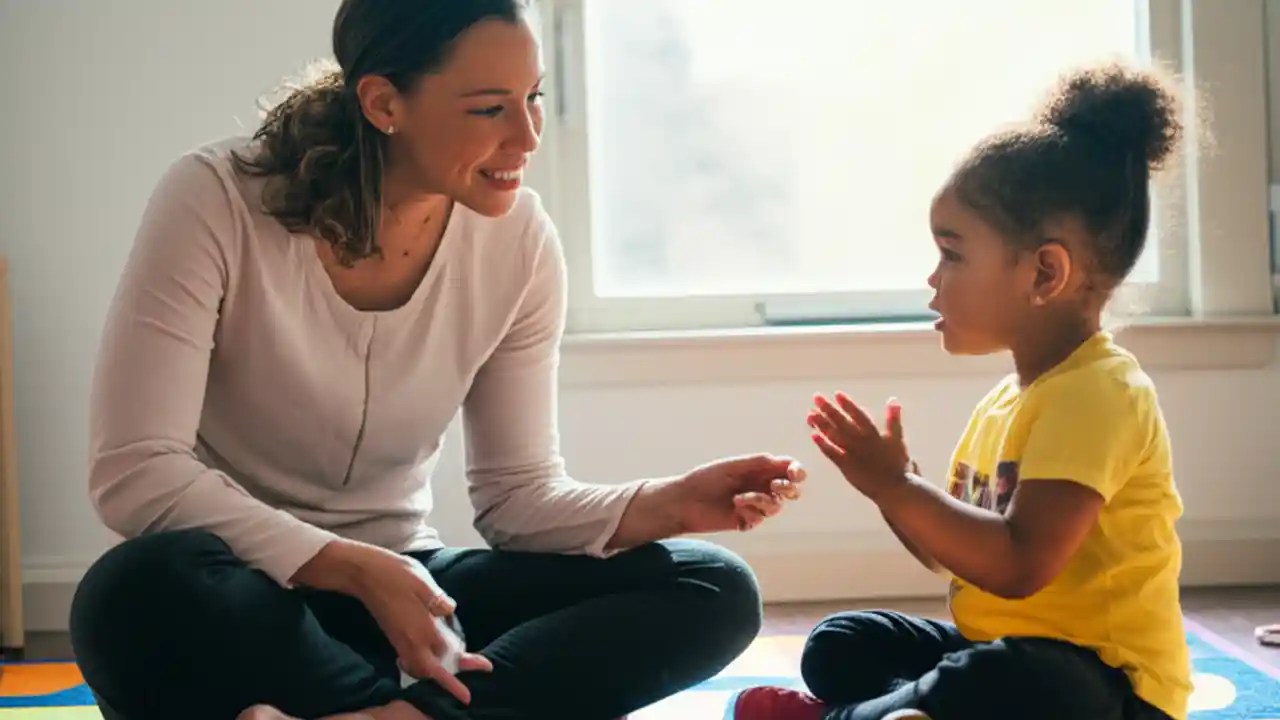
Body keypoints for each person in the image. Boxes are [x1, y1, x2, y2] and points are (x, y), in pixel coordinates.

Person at [68, 2, 808, 719]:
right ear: (385, 102)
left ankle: (394, 715)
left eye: (535, 98)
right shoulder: (215, 200)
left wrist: (669, 503)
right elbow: (136, 470)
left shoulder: (519, 241)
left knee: (711, 587)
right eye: (490, 109)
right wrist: (353, 567)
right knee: (133, 591)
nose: (527, 136)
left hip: (410, 592)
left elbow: (516, 499)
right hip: (247, 595)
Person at [732, 61, 1192, 720]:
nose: (932, 280)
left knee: (1018, 678)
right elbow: (951, 553)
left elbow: (1017, 565)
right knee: (841, 645)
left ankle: (844, 718)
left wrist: (899, 488)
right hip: (994, 650)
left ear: (1044, 272)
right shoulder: (1007, 401)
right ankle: (901, 710)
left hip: (1108, 692)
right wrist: (893, 485)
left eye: (952, 254)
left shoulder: (1101, 394)